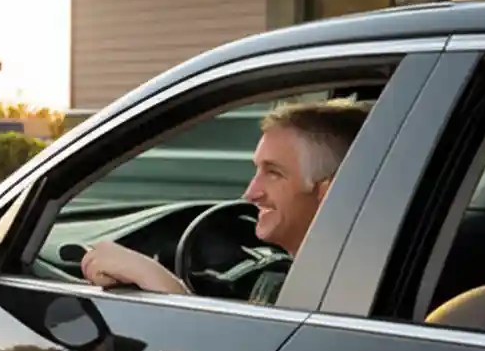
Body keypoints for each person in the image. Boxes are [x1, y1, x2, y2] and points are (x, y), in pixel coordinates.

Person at [81, 98, 370, 304]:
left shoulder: (344, 295)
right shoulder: (358, 277)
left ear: (330, 192)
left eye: (273, 173)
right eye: (257, 170)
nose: (250, 193)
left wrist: (158, 283)